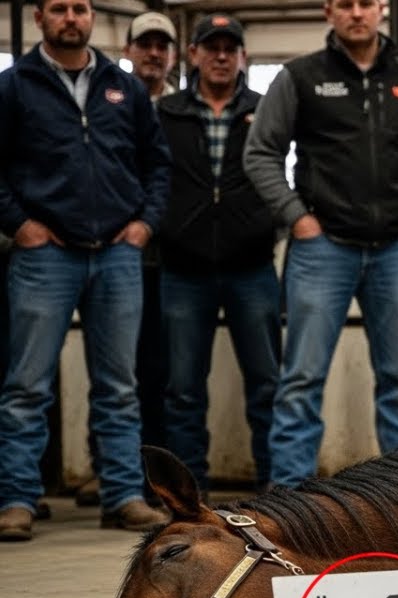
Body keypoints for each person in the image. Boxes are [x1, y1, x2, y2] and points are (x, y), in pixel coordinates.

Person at [244, 0, 398, 488]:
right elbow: (261, 153)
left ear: (382, 9)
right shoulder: (299, 77)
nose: (356, 13)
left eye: (366, 3)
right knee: (300, 380)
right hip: (323, 249)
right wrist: (297, 218)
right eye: (345, 4)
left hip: (397, 250)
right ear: (328, 12)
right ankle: (289, 498)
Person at [0, 0, 171, 540]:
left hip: (118, 253)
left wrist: (145, 224)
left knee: (119, 385)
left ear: (92, 17)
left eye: (79, 8)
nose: (70, 17)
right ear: (40, 20)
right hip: (44, 253)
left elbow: (158, 162)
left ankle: (123, 495)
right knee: (27, 386)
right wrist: (18, 224)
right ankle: (16, 500)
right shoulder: (14, 86)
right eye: (59, 8)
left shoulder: (124, 87)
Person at [155, 13, 279, 499]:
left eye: (231, 47)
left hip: (253, 267)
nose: (221, 55)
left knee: (268, 385)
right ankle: (191, 497)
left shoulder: (265, 108)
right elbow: (151, 174)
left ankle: (276, 488)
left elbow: (286, 167)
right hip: (183, 270)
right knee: (183, 389)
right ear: (194, 55)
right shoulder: (166, 112)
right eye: (212, 46)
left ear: (243, 56)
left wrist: (272, 221)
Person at [76, 9, 179, 509]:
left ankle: (146, 480)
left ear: (174, 54)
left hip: (163, 262)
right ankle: (107, 470)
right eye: (146, 45)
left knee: (154, 373)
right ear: (131, 50)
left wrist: (147, 225)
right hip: (109, 254)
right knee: (113, 369)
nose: (154, 54)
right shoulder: (107, 98)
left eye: (163, 46)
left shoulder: (181, 109)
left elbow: (164, 173)